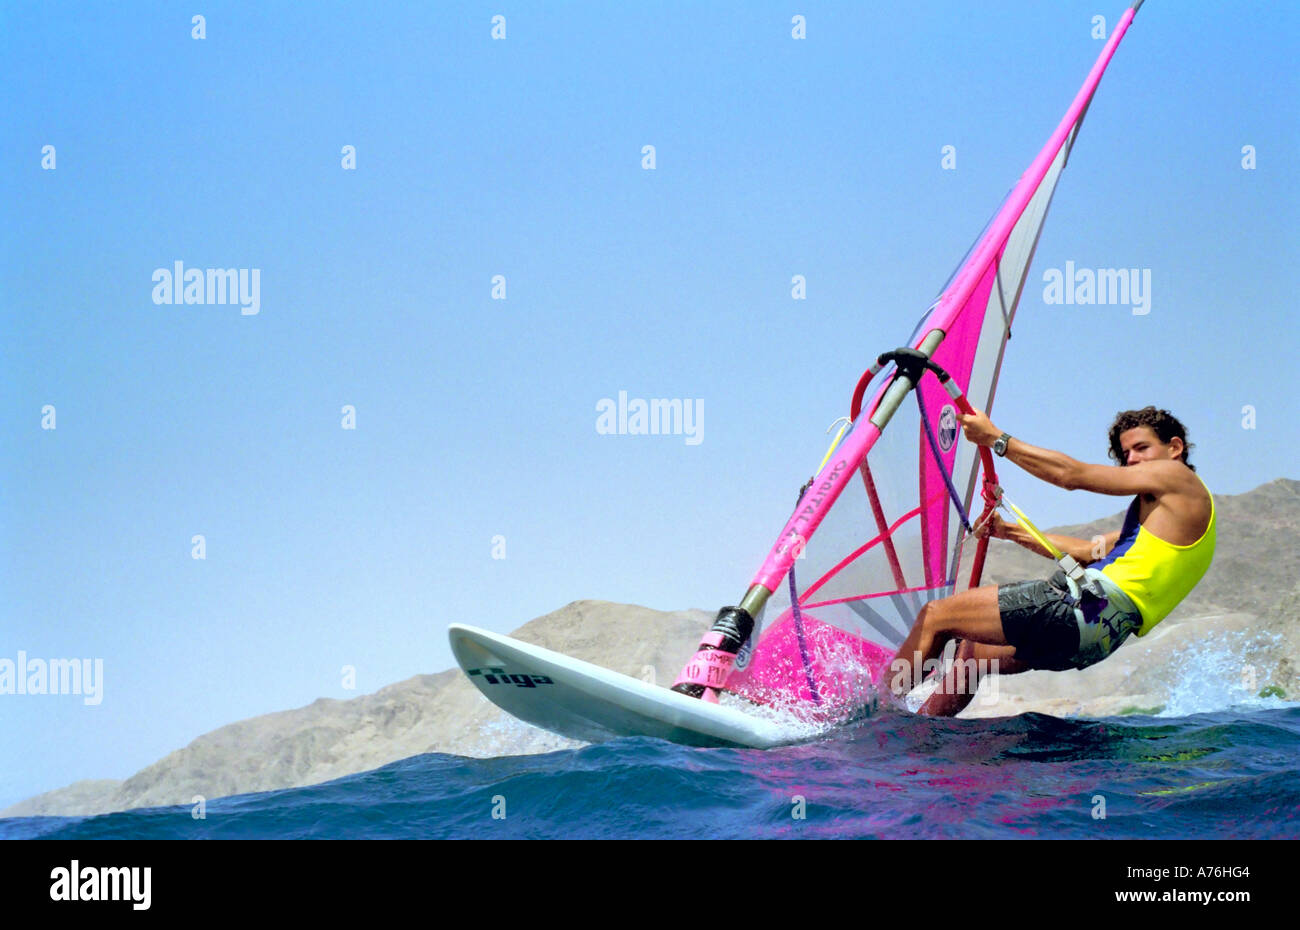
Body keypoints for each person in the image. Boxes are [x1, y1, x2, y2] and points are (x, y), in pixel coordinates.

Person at [887, 406, 1215, 716]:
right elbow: (1088, 551)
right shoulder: (1168, 520)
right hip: (1096, 639)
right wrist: (1008, 531)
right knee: (973, 656)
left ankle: (880, 713)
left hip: (1078, 609)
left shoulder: (1176, 476)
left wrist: (995, 438)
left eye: (1142, 448)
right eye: (1126, 454)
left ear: (1174, 448)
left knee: (935, 617)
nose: (1132, 460)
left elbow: (1071, 475)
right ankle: (926, 732)